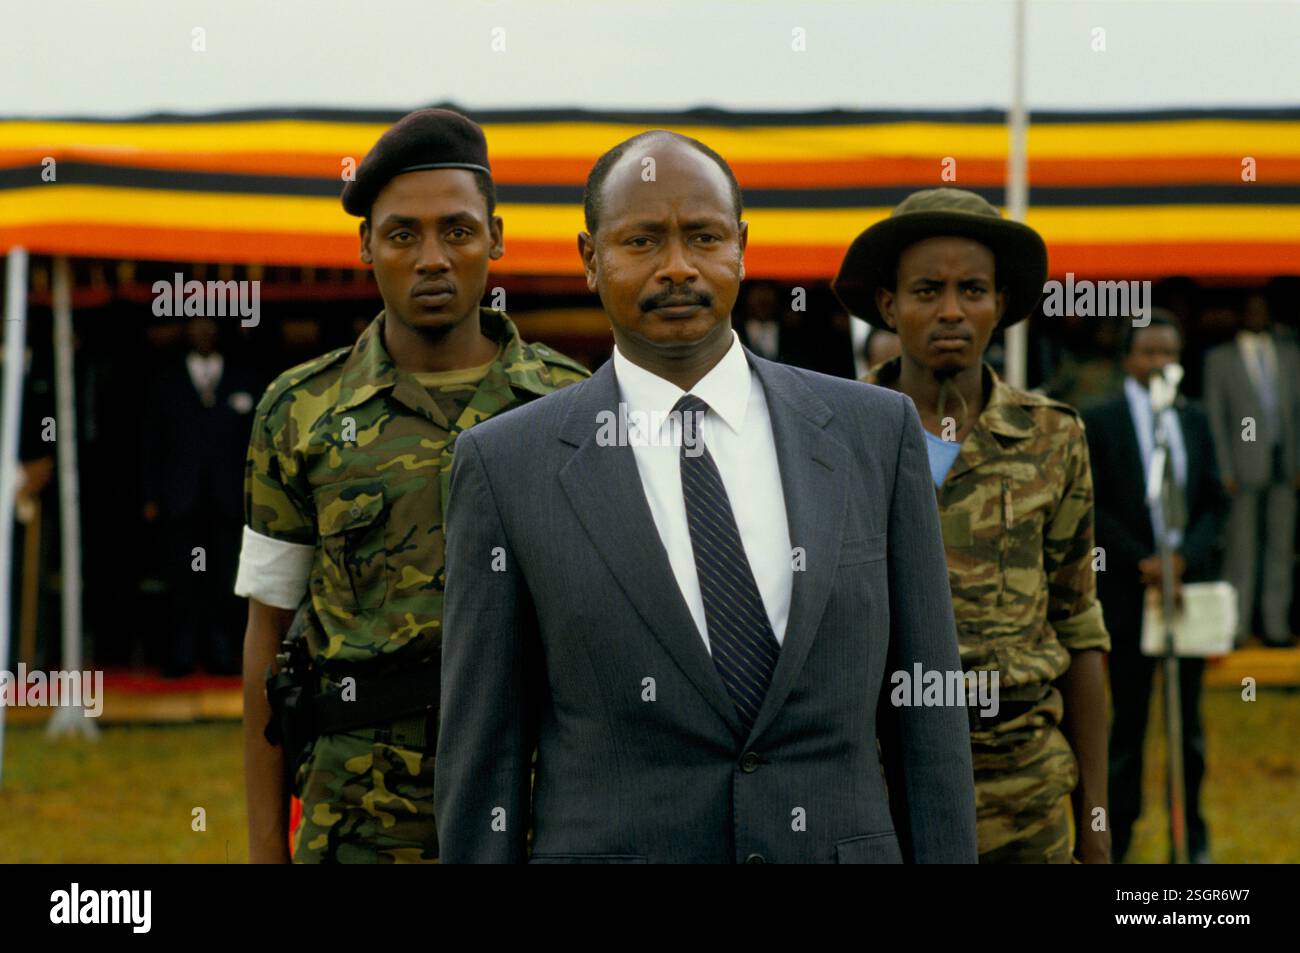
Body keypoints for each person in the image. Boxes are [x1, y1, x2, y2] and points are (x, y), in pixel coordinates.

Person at [434, 131, 977, 864]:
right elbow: (485, 758)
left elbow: (928, 721)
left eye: (704, 237)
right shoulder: (506, 468)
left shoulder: (874, 435)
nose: (678, 267)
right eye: (643, 241)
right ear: (590, 259)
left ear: (743, 247)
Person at [235, 108, 589, 864]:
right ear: (366, 246)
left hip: (536, 806)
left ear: (496, 238)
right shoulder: (299, 412)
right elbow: (268, 633)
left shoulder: (571, 407)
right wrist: (268, 847)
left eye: (457, 231)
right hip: (359, 821)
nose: (433, 257)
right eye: (402, 235)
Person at [841, 187, 1112, 863]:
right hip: (877, 784)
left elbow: (1079, 625)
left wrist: (1098, 820)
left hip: (1025, 785)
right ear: (888, 305)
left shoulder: (1053, 438)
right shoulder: (832, 435)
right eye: (927, 290)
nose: (952, 311)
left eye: (974, 290)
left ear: (1002, 304)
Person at [1082, 312, 1227, 863]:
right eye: (1150, 353)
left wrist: (1184, 558)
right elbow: (1093, 503)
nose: (1161, 363)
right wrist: (1140, 561)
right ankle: (1118, 835)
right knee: (1128, 728)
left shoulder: (1193, 419)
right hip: (1126, 595)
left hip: (1184, 594)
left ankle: (1189, 837)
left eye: (1171, 353)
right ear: (1128, 359)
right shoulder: (1103, 421)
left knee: (1187, 727)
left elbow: (1215, 498)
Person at [143, 316, 258, 676]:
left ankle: (221, 651)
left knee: (224, 578)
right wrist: (150, 496)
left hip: (227, 504)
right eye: (196, 325)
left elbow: (256, 446)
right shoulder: (166, 381)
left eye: (210, 325)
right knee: (183, 578)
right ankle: (181, 652)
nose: (204, 332)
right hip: (181, 502)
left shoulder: (244, 378)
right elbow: (151, 444)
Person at [1203, 292, 1300, 647]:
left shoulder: (1289, 355)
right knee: (1240, 550)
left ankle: (1274, 625)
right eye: (1251, 309)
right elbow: (1215, 418)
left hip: (1283, 465)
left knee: (1281, 547)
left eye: (1263, 309)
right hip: (1241, 468)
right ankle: (1237, 627)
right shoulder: (1220, 360)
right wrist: (1223, 468)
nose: (1257, 315)